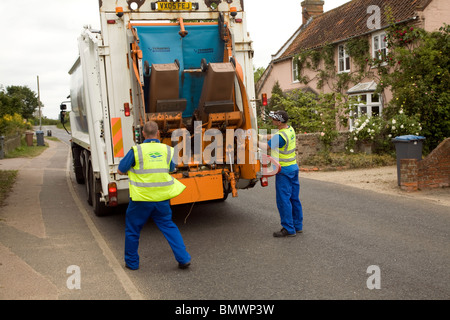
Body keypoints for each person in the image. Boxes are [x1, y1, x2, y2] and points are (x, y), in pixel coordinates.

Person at [118, 121, 191, 270]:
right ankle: (183, 259)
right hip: (161, 199)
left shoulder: (136, 151)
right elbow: (171, 168)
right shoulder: (168, 150)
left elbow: (121, 170)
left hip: (141, 200)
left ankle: (132, 264)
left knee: (133, 230)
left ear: (143, 134)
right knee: (169, 226)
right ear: (158, 133)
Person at [260, 110, 303, 237]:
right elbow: (273, 137)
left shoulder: (280, 137)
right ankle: (297, 226)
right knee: (294, 198)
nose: (272, 120)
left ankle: (288, 229)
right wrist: (260, 135)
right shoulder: (289, 130)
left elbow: (266, 147)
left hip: (284, 171)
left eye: (274, 119)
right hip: (293, 168)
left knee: (283, 200)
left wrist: (250, 141)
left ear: (279, 122)